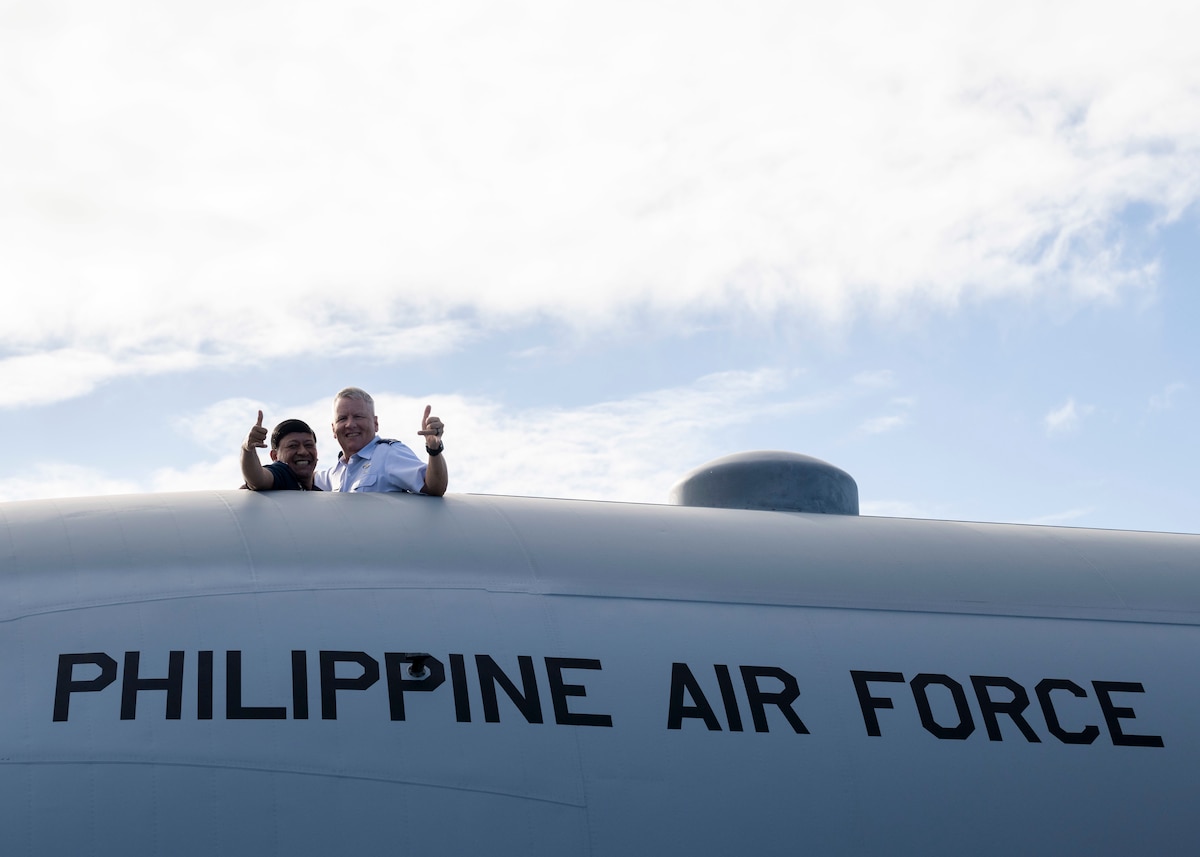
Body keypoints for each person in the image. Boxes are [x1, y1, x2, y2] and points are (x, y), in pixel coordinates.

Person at [314, 387, 448, 496]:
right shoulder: (334, 474)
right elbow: (303, 477)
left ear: (375, 423)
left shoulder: (388, 454)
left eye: (358, 416)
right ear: (333, 429)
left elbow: (434, 487)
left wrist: (434, 449)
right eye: (342, 418)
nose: (350, 424)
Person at [240, 412, 322, 491]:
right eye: (293, 446)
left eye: (308, 445)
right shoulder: (282, 475)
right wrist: (247, 449)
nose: (303, 452)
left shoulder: (321, 497)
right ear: (275, 456)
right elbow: (257, 480)